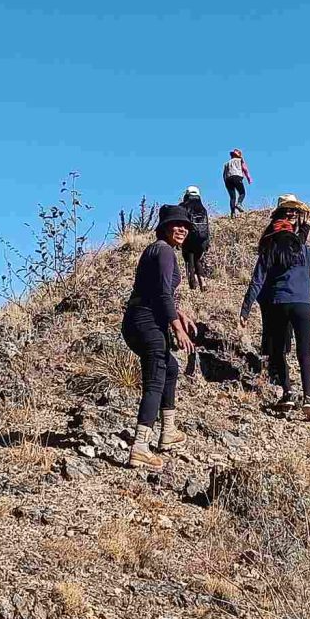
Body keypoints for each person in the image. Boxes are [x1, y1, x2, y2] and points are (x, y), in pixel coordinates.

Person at [122, 204, 197, 470]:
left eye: (186, 225)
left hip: (140, 320)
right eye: (176, 224)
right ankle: (140, 447)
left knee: (171, 369)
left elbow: (155, 291)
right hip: (146, 322)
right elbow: (163, 294)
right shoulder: (164, 251)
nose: (182, 229)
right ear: (164, 227)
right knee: (156, 377)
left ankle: (168, 432)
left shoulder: (157, 251)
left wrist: (178, 313)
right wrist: (177, 327)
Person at [241, 199, 310, 420]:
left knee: (279, 352)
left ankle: (288, 393)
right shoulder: (304, 249)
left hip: (278, 304)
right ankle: (309, 398)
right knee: (304, 352)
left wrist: (245, 310)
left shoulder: (269, 249)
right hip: (303, 304)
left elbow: (257, 281)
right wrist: (308, 288)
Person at [180, 186, 212, 290]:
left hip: (189, 238)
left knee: (189, 259)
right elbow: (206, 226)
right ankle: (203, 283)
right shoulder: (203, 209)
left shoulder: (183, 206)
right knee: (197, 259)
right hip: (202, 238)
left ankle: (192, 283)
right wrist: (207, 241)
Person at [222, 149, 252, 215]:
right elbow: (245, 169)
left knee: (232, 197)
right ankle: (239, 204)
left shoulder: (226, 163)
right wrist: (249, 178)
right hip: (237, 176)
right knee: (242, 193)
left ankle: (233, 213)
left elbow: (224, 174)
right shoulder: (240, 160)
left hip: (228, 179)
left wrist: (226, 182)